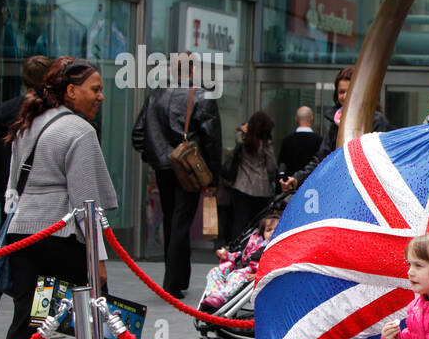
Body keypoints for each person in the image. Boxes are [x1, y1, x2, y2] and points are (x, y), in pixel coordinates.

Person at [0, 57, 159, 339]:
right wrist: (98, 258)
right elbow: (87, 203)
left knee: (29, 322)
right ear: (71, 91)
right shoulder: (78, 131)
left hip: (25, 233)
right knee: (96, 312)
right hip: (62, 235)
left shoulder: (28, 122)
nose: (101, 96)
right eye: (95, 89)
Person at [132, 53, 221, 298]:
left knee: (173, 220)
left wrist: (156, 157)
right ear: (192, 71)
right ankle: (173, 281)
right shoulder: (202, 97)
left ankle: (176, 279)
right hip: (189, 168)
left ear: (172, 70)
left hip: (164, 168)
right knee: (181, 221)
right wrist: (213, 177)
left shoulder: (154, 97)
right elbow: (212, 139)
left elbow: (138, 135)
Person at [0, 55, 51, 339]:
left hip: (11, 192)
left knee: (8, 250)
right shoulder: (50, 114)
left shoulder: (5, 111)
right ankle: (40, 318)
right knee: (44, 257)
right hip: (41, 195)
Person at [282, 66, 388, 191]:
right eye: (341, 92)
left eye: (350, 91)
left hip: (366, 191)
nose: (345, 96)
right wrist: (296, 179)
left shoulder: (376, 120)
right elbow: (321, 159)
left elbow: (379, 161)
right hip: (338, 189)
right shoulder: (335, 122)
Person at [202, 210, 278, 309]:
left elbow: (276, 265)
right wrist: (227, 255)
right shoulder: (255, 243)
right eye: (269, 230)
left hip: (253, 272)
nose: (272, 232)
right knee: (215, 271)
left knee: (236, 276)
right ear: (262, 233)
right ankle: (214, 294)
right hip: (241, 266)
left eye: (275, 230)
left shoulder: (277, 247)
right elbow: (241, 255)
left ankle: (221, 297)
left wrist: (261, 274)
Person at [226, 111, 276, 241]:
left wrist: (242, 127)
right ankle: (254, 250)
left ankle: (236, 250)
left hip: (241, 186)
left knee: (239, 222)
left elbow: (237, 132)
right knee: (258, 224)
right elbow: (271, 166)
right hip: (261, 189)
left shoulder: (243, 140)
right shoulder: (266, 144)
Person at [277, 106, 321, 179]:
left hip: (290, 185)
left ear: (296, 119)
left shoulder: (287, 141)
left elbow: (281, 166)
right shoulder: (319, 141)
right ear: (312, 118)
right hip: (313, 187)